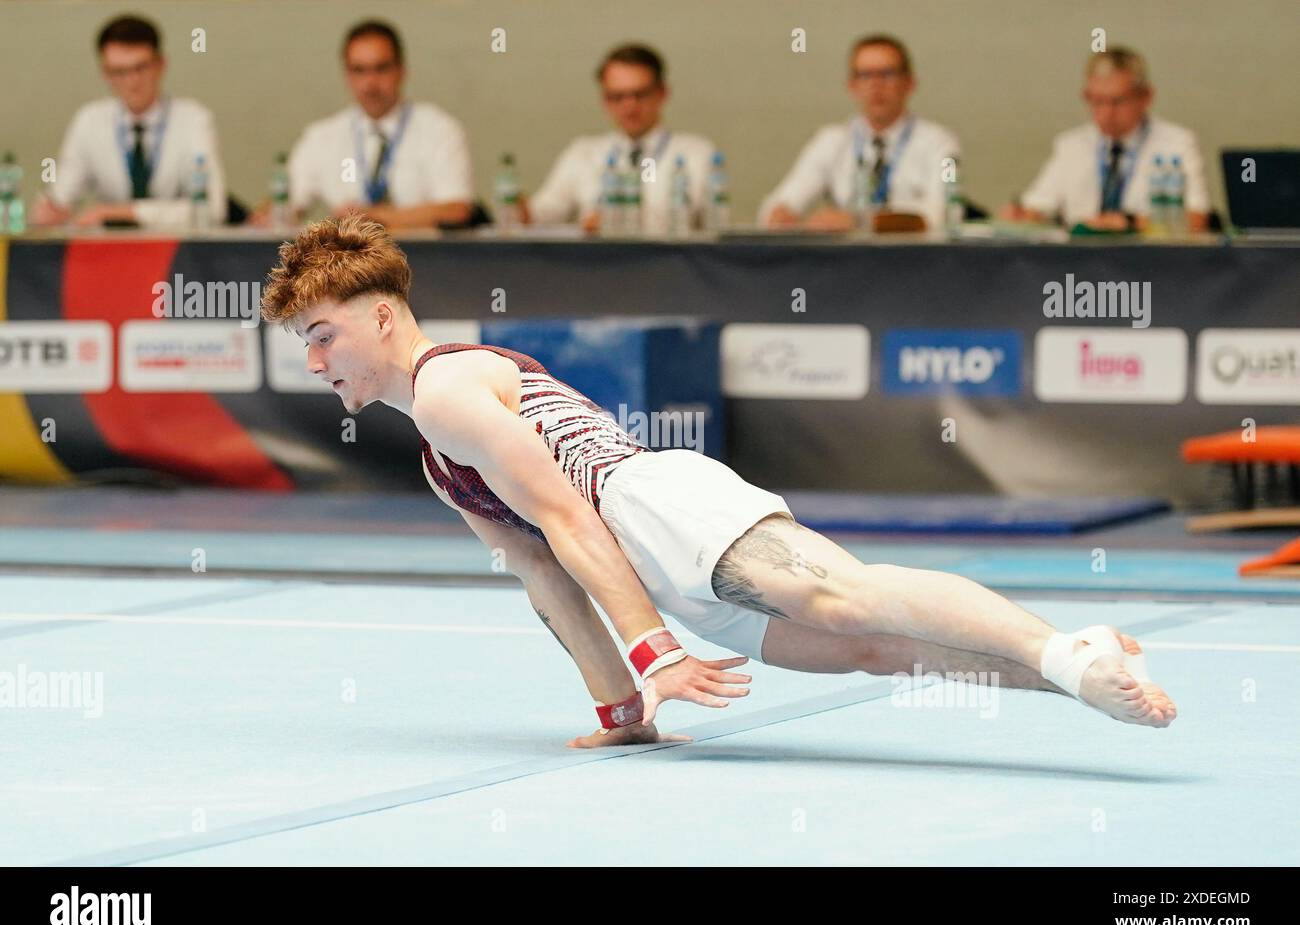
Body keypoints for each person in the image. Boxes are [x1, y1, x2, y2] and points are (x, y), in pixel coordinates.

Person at [260, 216, 1178, 747]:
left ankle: (1063, 656)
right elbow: (548, 577)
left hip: (649, 505)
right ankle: (1080, 661)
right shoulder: (434, 458)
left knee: (846, 600)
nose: (315, 363)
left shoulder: (449, 388)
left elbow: (568, 515)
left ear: (383, 317)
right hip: (647, 576)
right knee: (872, 652)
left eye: (323, 336)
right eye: (305, 345)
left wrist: (654, 654)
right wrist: (621, 708)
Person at [32, 14, 227, 229]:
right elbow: (59, 199)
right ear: (105, 73)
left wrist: (119, 212)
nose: (132, 81)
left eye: (141, 68)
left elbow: (212, 209)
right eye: (119, 72)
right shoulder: (89, 120)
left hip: (178, 253)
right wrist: (50, 210)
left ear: (161, 64)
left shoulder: (193, 118)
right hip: (110, 253)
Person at [275, 20, 473, 229]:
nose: (370, 83)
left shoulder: (439, 129)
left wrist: (377, 217)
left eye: (381, 69)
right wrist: (269, 213)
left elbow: (456, 209)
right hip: (351, 259)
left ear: (401, 71)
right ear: (347, 76)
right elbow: (285, 205)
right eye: (359, 70)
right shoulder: (321, 136)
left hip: (424, 257)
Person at [758, 34, 959, 231]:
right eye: (865, 75)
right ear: (851, 85)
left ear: (909, 83)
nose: (876, 85)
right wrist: (780, 215)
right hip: (846, 261)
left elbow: (944, 211)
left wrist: (863, 221)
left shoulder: (942, 144)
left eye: (887, 74)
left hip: (916, 259)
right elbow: (781, 201)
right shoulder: (830, 141)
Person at [1001, 47, 1210, 232]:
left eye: (1117, 102)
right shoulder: (1070, 145)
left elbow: (1197, 220)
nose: (1105, 113)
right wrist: (1022, 215)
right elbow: (1038, 205)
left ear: (1146, 96)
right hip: (1082, 263)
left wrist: (1129, 223)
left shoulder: (1178, 142)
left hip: (1150, 263)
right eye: (1096, 101)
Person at [525, 44, 718, 234]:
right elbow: (542, 214)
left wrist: (612, 221)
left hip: (668, 262)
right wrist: (519, 209)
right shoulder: (583, 152)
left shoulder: (696, 152)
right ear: (604, 99)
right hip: (600, 262)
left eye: (639, 95)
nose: (629, 106)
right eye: (617, 96)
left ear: (662, 93)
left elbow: (687, 217)